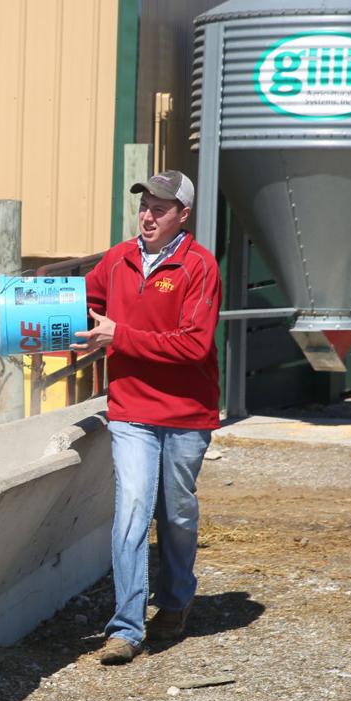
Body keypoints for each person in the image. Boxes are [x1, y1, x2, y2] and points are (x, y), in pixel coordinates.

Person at [71, 169, 222, 665]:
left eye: (160, 208)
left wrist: (120, 337)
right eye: (144, 206)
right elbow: (78, 303)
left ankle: (175, 602)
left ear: (183, 214)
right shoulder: (118, 259)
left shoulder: (199, 267)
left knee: (175, 514)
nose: (148, 216)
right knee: (133, 508)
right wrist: (9, 305)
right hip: (131, 409)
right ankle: (126, 629)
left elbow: (194, 345)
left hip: (185, 412)